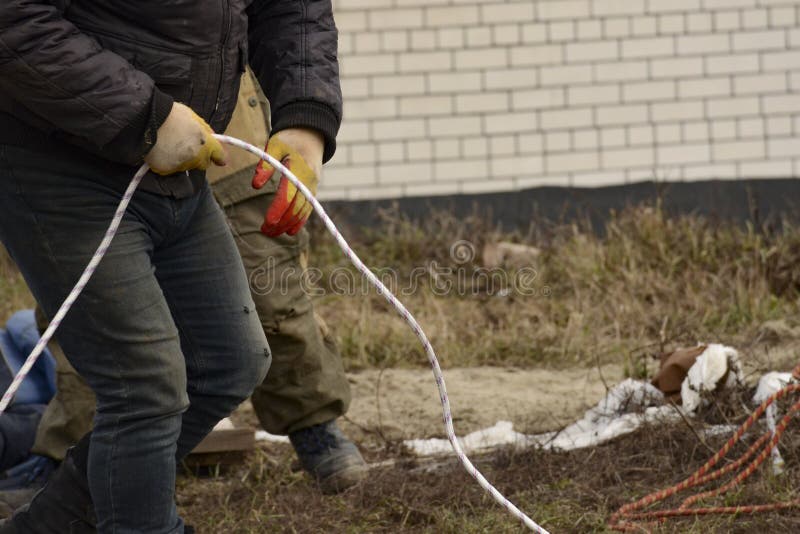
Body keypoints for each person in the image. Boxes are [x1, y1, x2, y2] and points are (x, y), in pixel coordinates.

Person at [0, 1, 343, 532]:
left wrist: (305, 111)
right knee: (145, 386)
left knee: (229, 359)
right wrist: (143, 113)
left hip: (175, 155)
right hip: (57, 158)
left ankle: (51, 526)